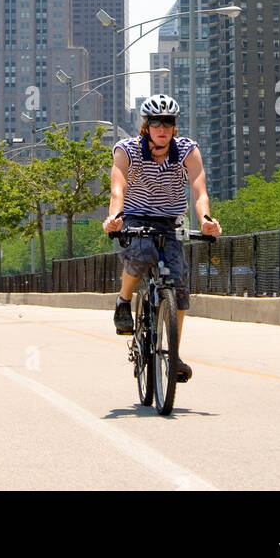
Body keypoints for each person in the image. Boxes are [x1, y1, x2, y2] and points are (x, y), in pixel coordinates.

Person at [102, 94, 221, 384]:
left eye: (168, 122)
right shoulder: (127, 151)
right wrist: (114, 217)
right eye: (156, 122)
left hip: (170, 221)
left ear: (174, 126)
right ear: (146, 125)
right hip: (134, 217)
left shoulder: (187, 151)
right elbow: (118, 187)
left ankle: (175, 353)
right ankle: (123, 299)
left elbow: (198, 188)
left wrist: (206, 220)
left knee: (179, 282)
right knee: (141, 255)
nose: (162, 128)